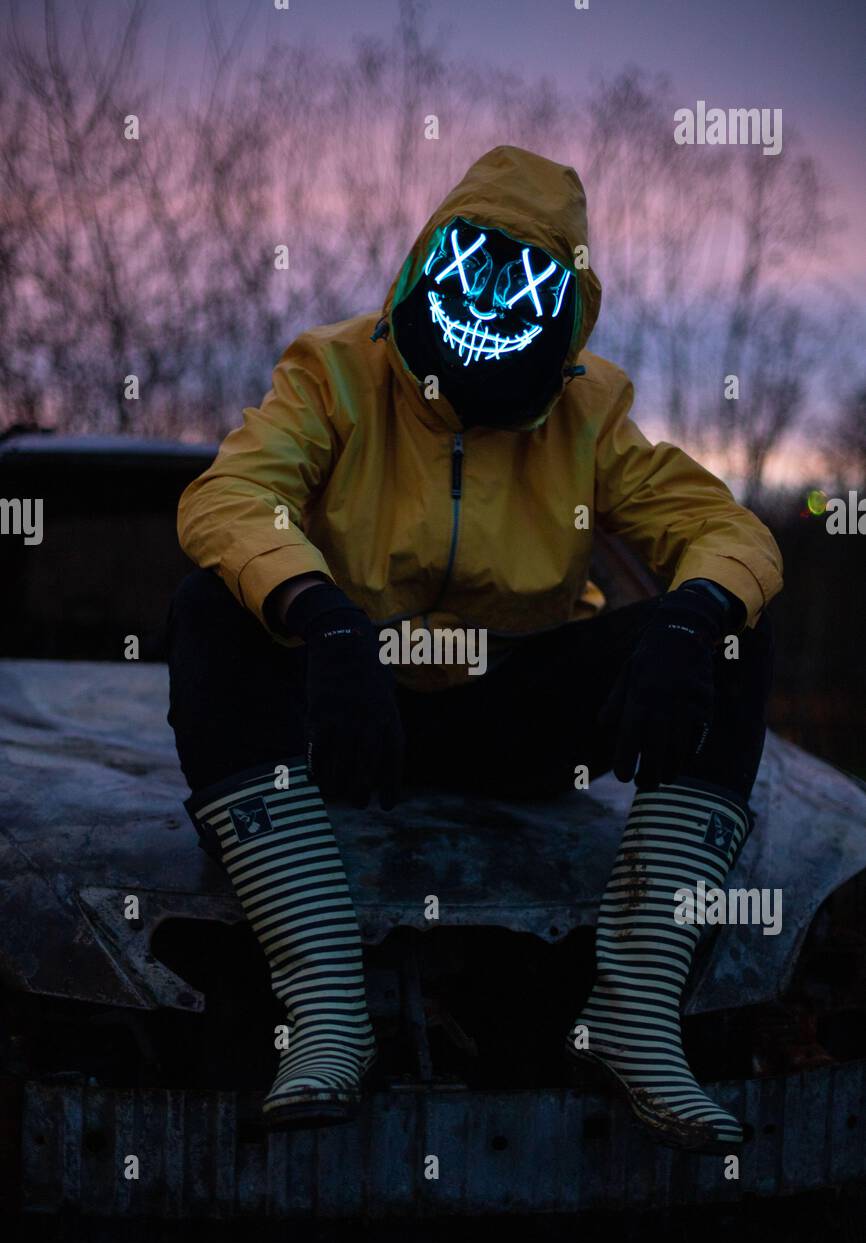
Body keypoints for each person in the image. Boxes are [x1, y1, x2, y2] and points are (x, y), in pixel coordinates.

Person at [166, 145, 781, 1152]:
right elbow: (231, 497)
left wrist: (692, 610)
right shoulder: (333, 372)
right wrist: (319, 615)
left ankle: (635, 1015)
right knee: (210, 607)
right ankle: (325, 1012)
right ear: (423, 267)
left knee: (732, 630)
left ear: (567, 316)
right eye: (469, 276)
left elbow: (727, 529)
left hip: (514, 715)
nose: (490, 306)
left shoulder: (589, 414)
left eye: (525, 288)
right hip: (350, 719)